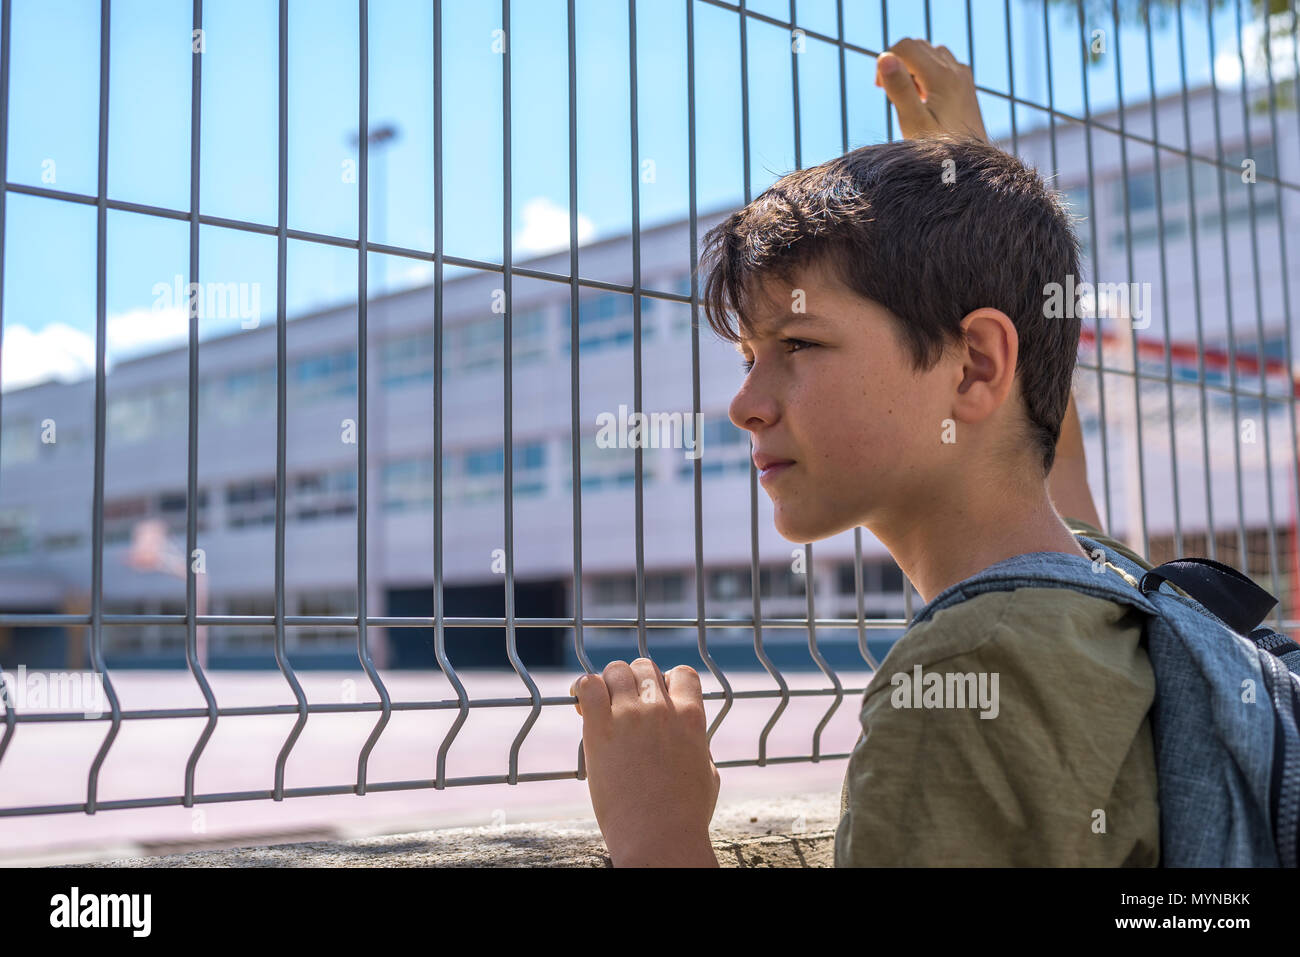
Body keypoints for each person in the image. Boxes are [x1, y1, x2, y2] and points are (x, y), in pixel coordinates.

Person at [569, 38, 1160, 867]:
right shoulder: (1110, 588)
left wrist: (657, 834)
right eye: (747, 358)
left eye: (798, 345)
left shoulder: (955, 689)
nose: (744, 406)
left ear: (977, 363)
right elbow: (1045, 438)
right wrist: (973, 191)